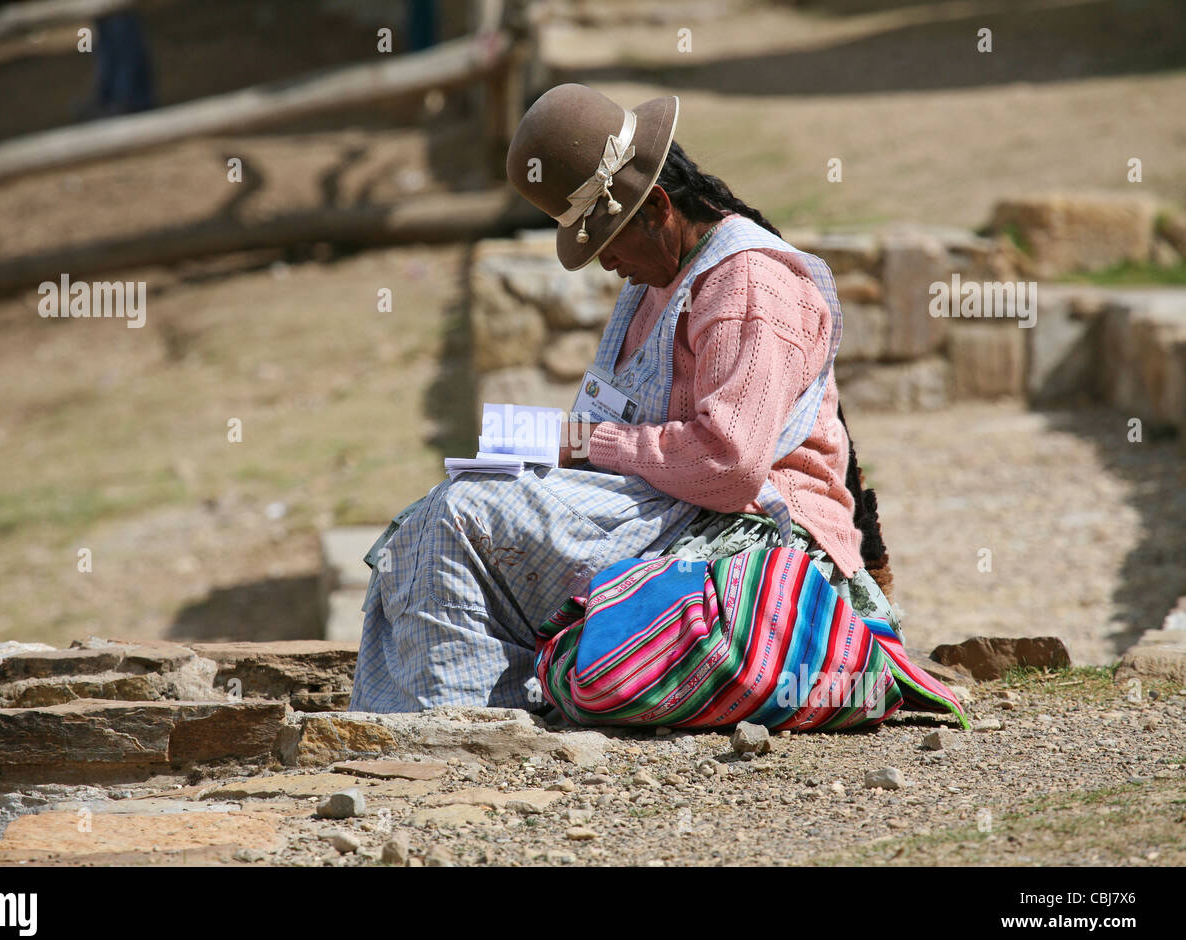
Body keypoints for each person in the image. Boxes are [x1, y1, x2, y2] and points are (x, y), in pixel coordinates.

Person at [350, 84, 898, 713]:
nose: (606, 261)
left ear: (659, 206)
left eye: (606, 238)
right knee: (432, 518)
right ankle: (463, 713)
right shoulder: (655, 285)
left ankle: (459, 723)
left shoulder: (749, 287)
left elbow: (729, 464)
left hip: (753, 531)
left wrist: (584, 444)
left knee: (461, 520)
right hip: (672, 508)